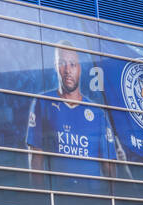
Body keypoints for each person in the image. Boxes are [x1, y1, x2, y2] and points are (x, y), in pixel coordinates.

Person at [25, 42, 119, 192]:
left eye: (72, 64)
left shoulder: (97, 113)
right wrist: (40, 201)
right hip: (59, 199)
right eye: (62, 63)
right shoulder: (43, 103)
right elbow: (36, 159)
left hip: (92, 201)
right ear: (56, 67)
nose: (68, 70)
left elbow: (109, 166)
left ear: (79, 69)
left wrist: (112, 204)